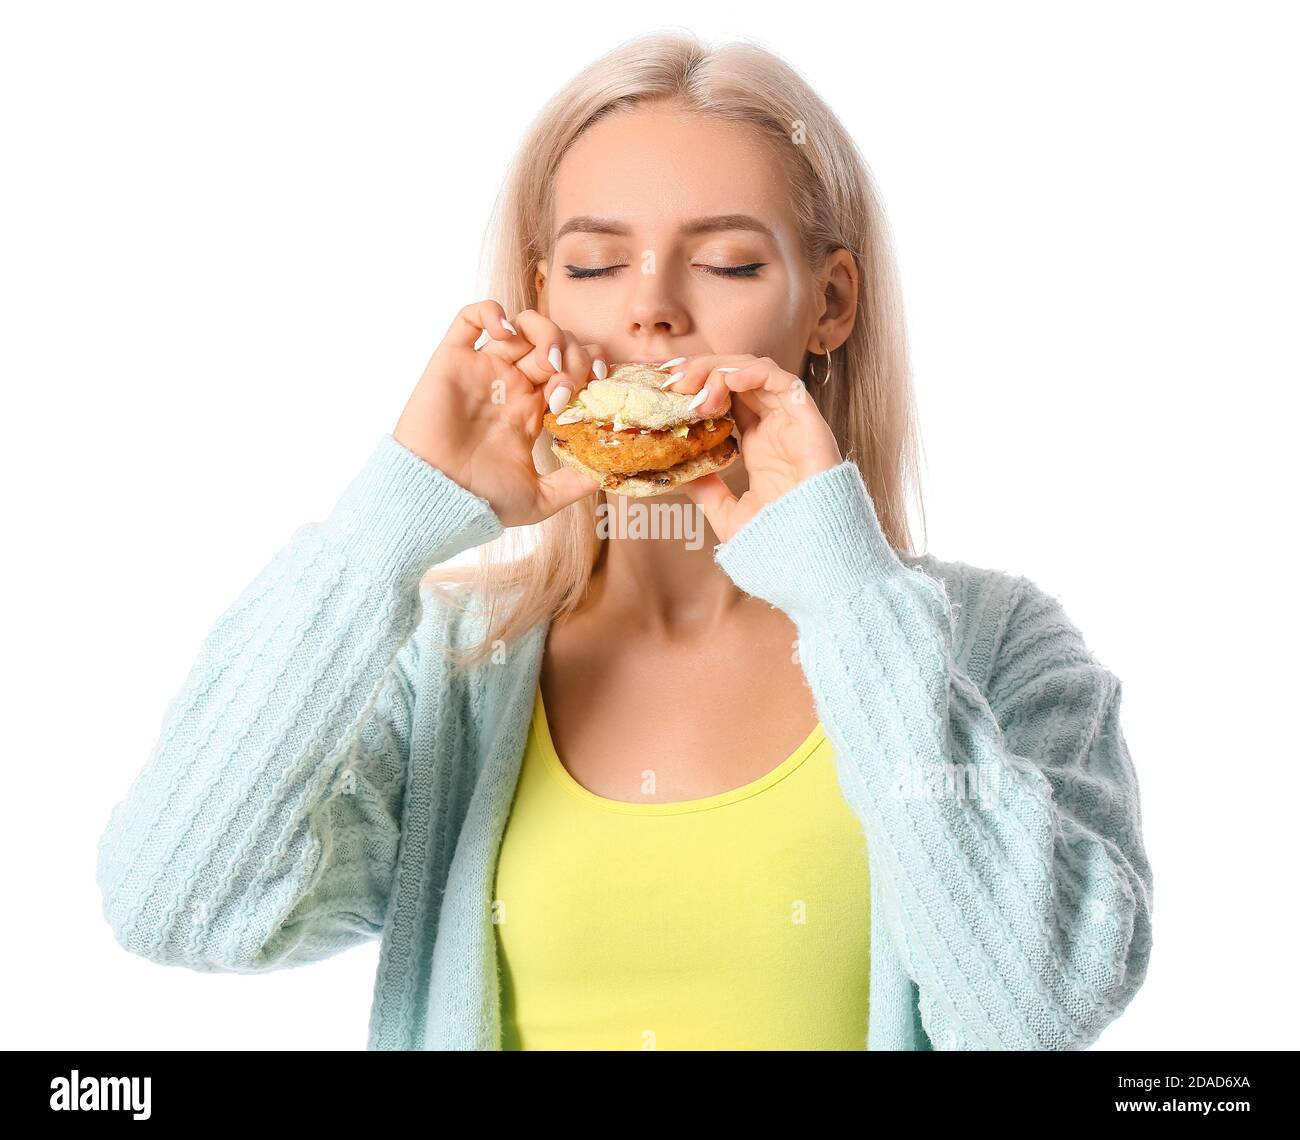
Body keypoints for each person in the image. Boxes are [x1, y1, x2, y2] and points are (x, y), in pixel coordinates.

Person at [94, 30, 1153, 1051]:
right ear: (539, 295)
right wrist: (391, 523)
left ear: (828, 304)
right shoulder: (455, 672)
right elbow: (175, 902)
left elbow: (1034, 1013)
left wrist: (847, 597)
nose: (651, 308)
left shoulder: (996, 648)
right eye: (596, 263)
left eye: (729, 264)